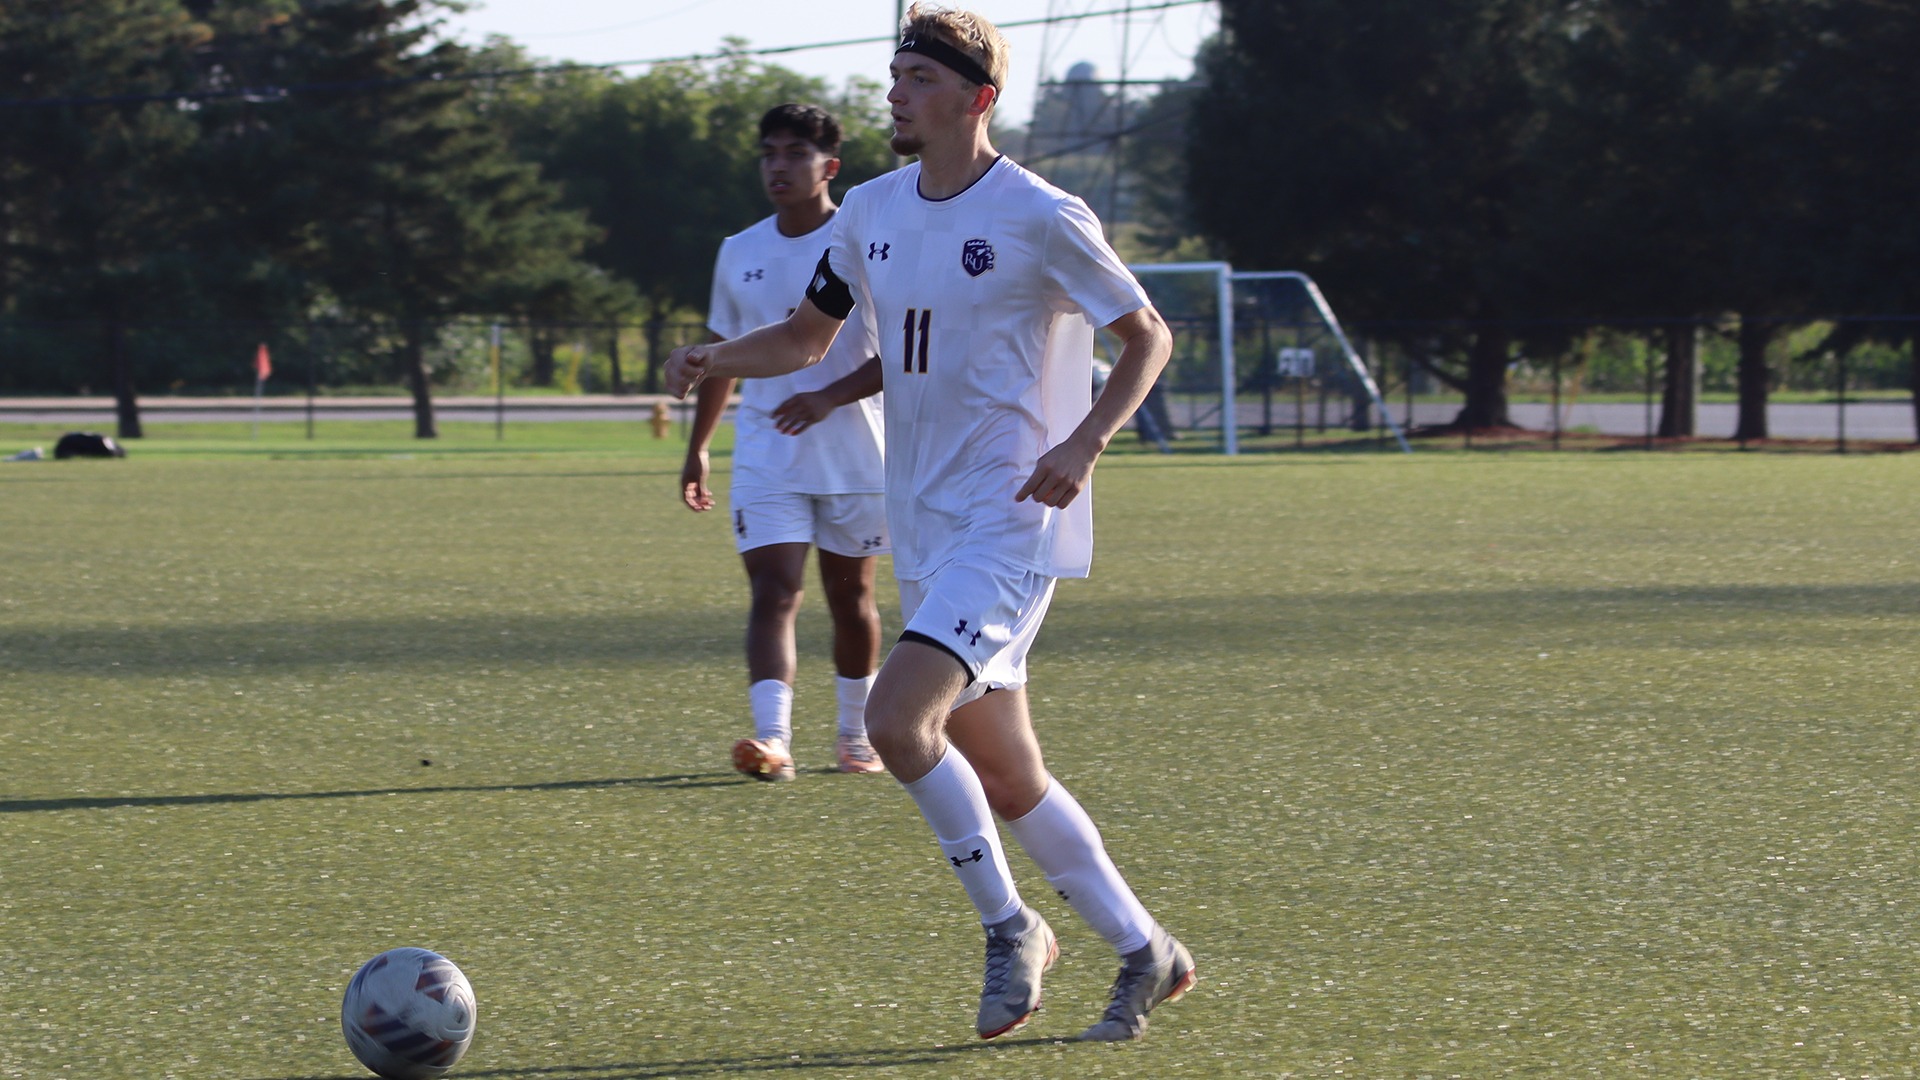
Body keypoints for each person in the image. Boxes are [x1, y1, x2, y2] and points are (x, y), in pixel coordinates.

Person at [666, 5, 1194, 1042]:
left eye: (915, 76)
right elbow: (808, 338)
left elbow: (1146, 335)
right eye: (895, 72)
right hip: (926, 522)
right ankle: (1146, 950)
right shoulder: (867, 209)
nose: (895, 92)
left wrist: (1082, 445)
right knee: (1006, 771)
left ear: (975, 98)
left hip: (1010, 520)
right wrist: (713, 358)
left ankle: (1010, 929)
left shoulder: (1040, 213)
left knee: (899, 723)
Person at [682, 103, 890, 782]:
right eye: (769, 153)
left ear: (829, 167)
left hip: (859, 454)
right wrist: (700, 446)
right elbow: (723, 354)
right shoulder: (738, 250)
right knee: (774, 591)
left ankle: (857, 737)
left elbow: (911, 353)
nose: (778, 165)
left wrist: (830, 395)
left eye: (795, 153)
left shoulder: (867, 244)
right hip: (768, 456)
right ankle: (772, 741)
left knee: (850, 598)